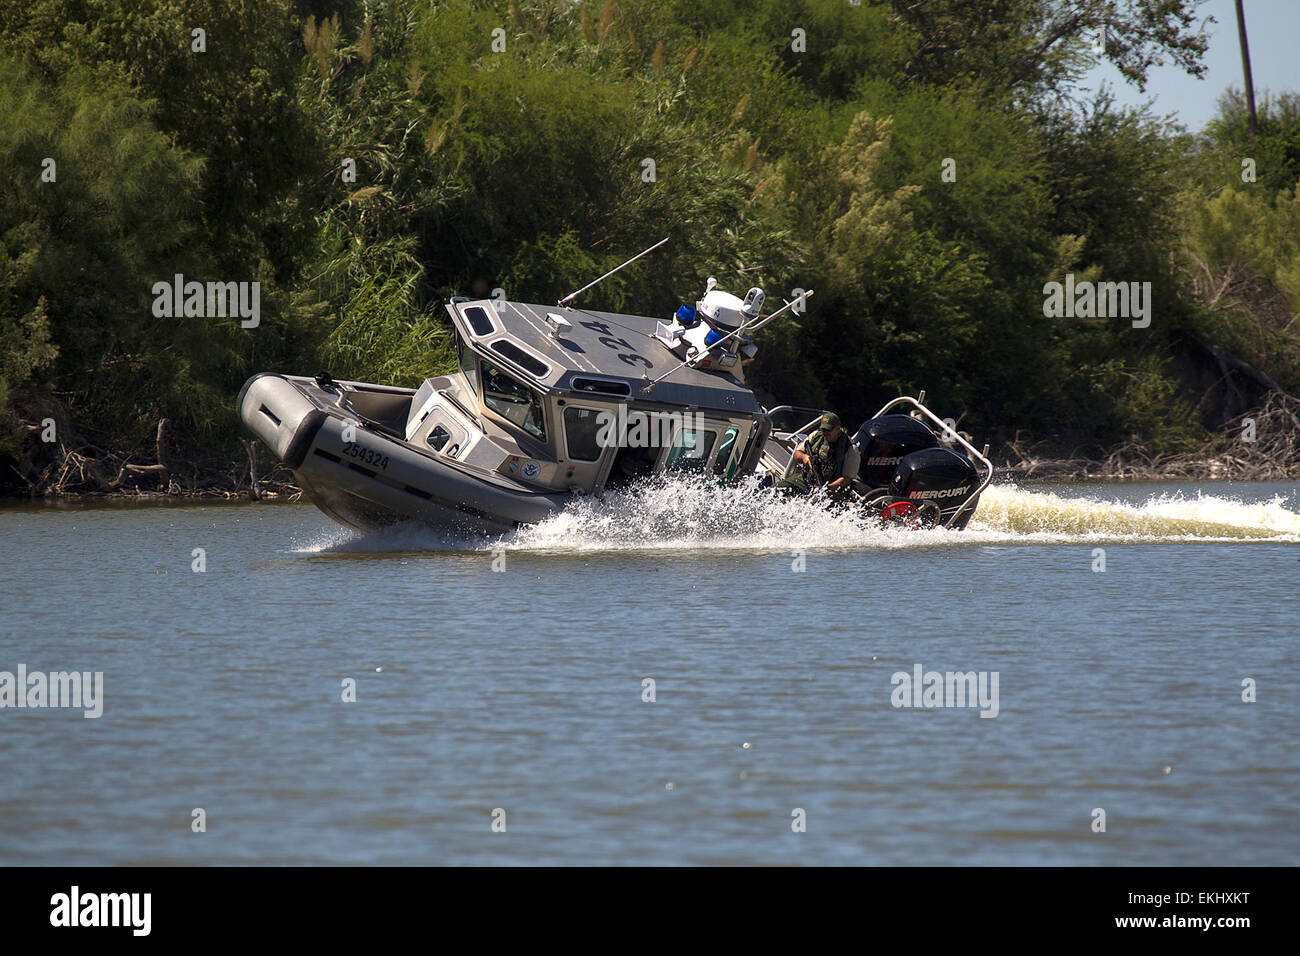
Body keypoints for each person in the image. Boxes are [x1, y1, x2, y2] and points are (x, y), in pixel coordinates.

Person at [772, 412, 860, 498]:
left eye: (828, 430)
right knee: (773, 491)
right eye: (823, 429)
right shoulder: (816, 436)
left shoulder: (850, 449)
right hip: (806, 480)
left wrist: (825, 488)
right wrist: (805, 458)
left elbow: (847, 479)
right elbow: (797, 453)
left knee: (812, 504)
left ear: (837, 429)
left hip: (831, 490)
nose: (825, 433)